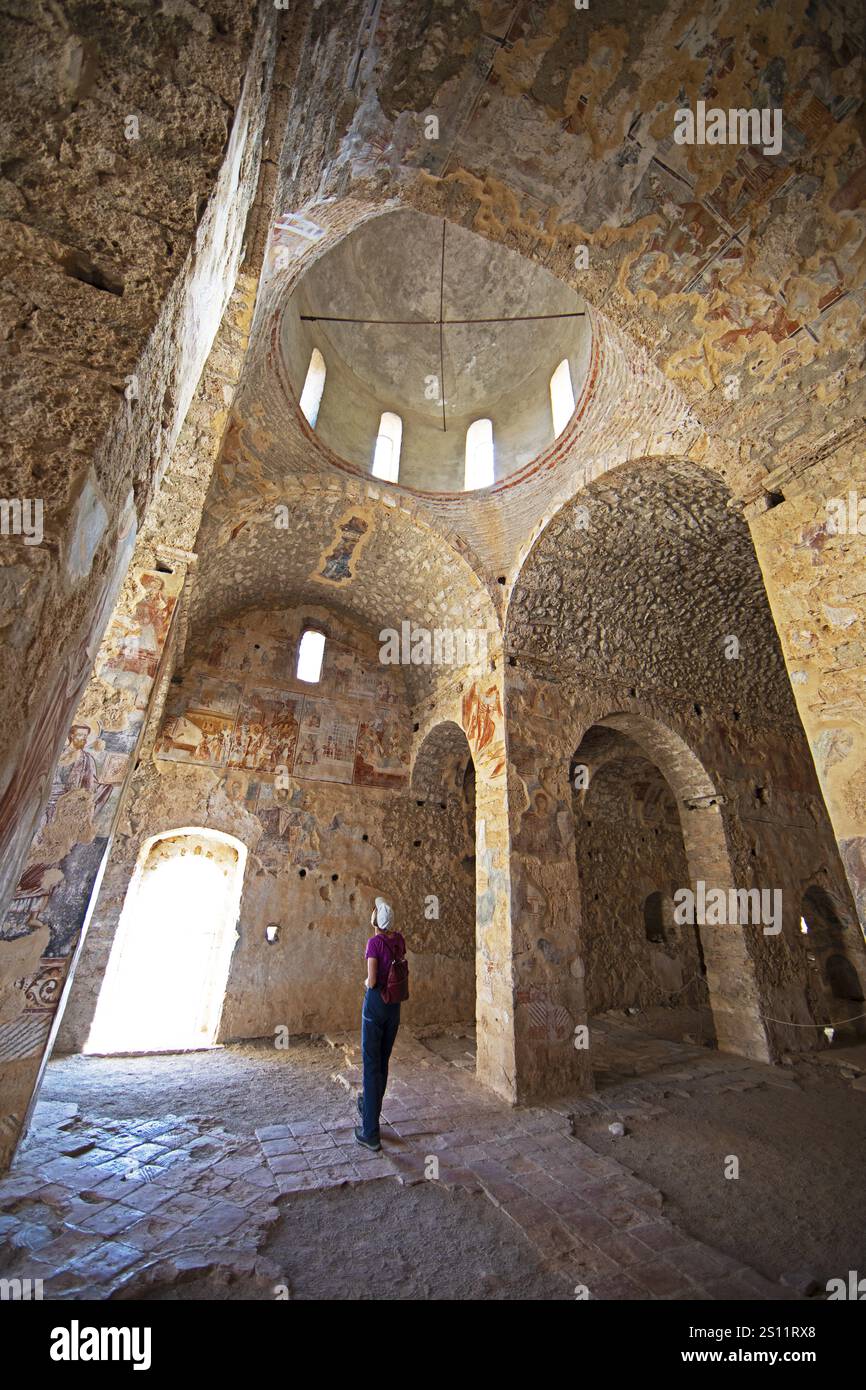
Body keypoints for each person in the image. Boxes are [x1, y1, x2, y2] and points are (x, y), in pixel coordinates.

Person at [355, 896, 404, 1152]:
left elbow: (373, 981)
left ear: (376, 920)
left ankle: (370, 1132)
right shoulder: (399, 940)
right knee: (381, 1063)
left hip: (375, 1005)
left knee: (371, 1065)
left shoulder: (374, 943)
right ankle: (370, 1108)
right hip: (393, 1008)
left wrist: (366, 983)